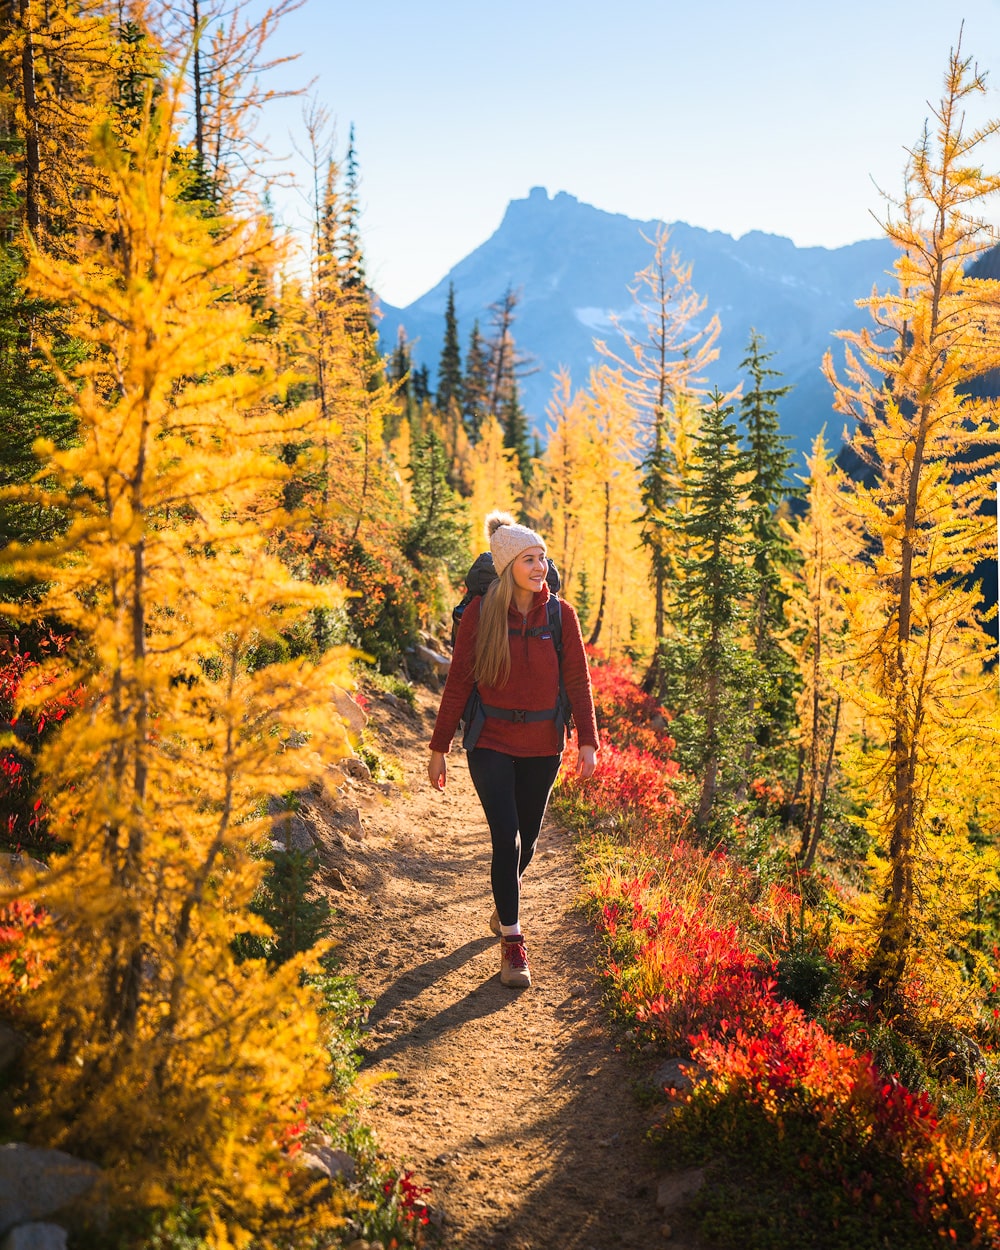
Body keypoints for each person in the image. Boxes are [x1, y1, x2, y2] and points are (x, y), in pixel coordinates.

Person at [428, 511, 599, 988]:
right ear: (507, 567)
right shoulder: (482, 615)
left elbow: (578, 682)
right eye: (529, 559)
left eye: (542, 557)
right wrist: (439, 747)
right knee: (508, 838)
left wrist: (588, 740)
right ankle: (513, 942)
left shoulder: (561, 615)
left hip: (544, 745)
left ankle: (505, 904)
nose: (539, 566)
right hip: (492, 742)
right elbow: (459, 681)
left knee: (526, 841)